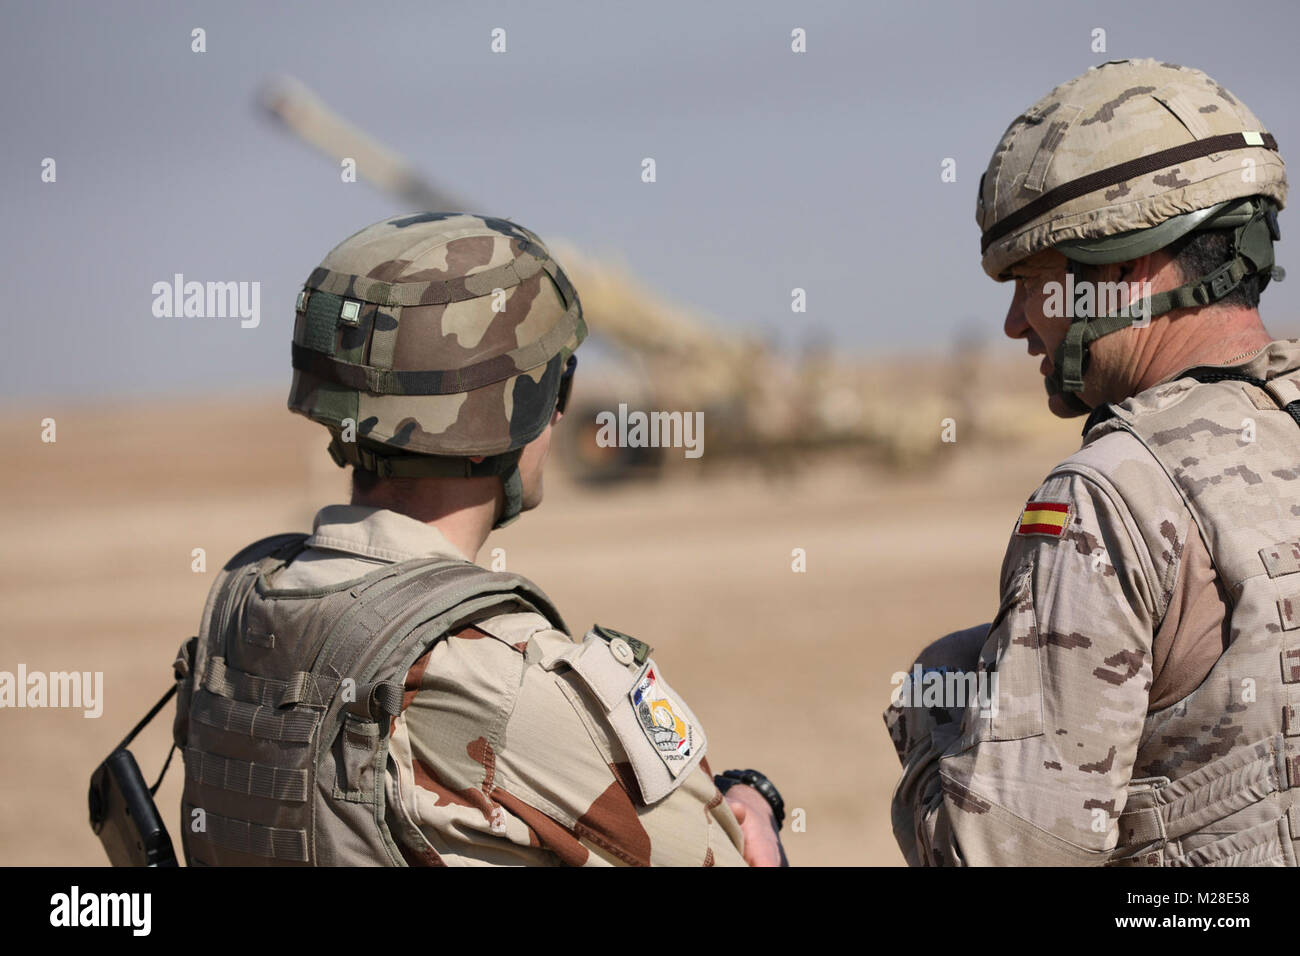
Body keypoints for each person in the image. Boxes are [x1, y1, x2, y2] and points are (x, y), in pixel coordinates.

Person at [172, 212, 785, 866]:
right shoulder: (503, 677)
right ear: (516, 409)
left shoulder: (243, 606)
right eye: (558, 383)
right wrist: (755, 814)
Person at [885, 59, 1300, 866]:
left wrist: (936, 705)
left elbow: (1007, 853)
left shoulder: (1112, 495)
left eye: (1031, 282)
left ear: (1121, 268)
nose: (1015, 323)